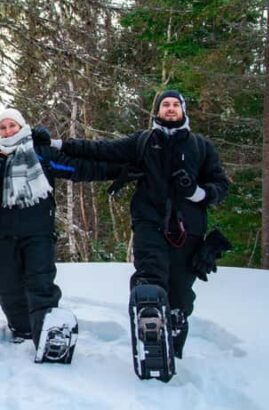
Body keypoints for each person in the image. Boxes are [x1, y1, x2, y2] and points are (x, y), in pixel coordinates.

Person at [55, 90, 230, 358]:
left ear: (183, 111)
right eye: (165, 105)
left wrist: (196, 191)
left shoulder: (200, 146)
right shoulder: (143, 141)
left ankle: (172, 348)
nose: (170, 109)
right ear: (157, 111)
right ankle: (149, 323)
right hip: (149, 222)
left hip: (189, 230)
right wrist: (57, 144)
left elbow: (221, 186)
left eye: (175, 105)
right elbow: (101, 150)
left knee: (180, 295)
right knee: (150, 279)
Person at [0, 108, 121, 350]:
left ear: (22, 127)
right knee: (8, 288)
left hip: (38, 233)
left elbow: (79, 168)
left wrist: (120, 171)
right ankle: (21, 330)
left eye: (13, 126)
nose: (8, 130)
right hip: (4, 235)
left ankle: (48, 332)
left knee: (41, 285)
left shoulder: (40, 153)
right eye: (3, 127)